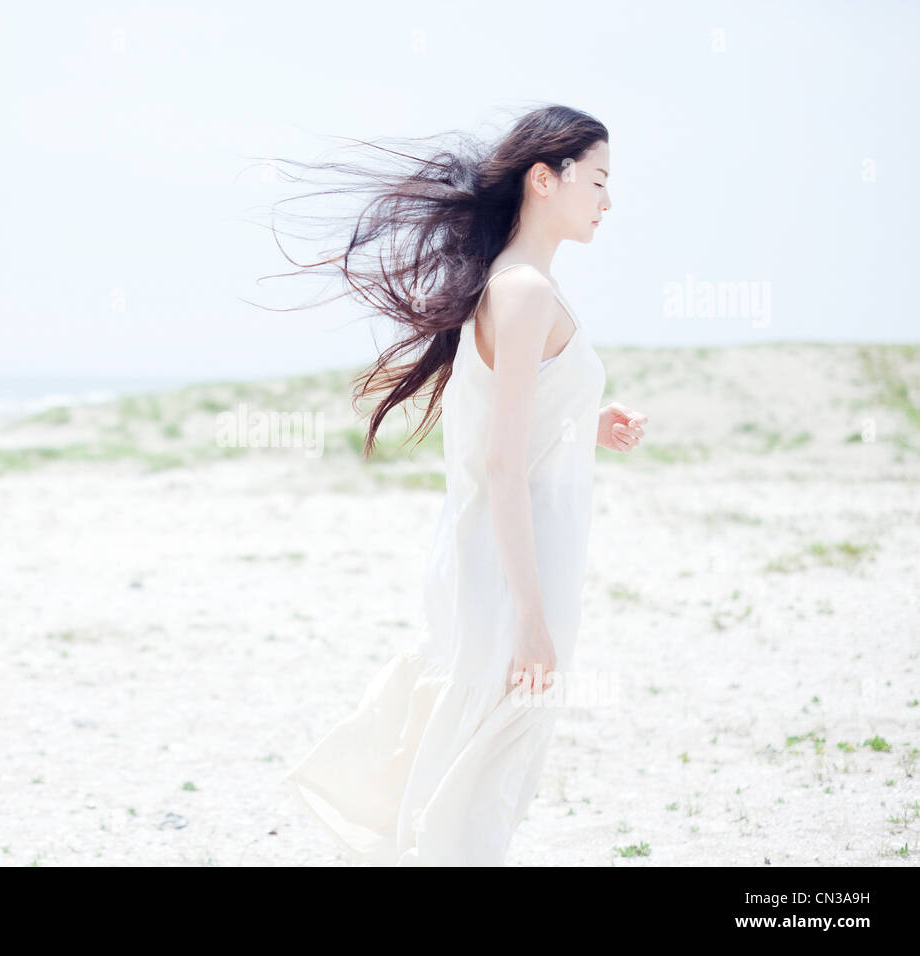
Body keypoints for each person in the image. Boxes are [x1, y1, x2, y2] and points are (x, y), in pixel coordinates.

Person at [271, 104, 649, 865]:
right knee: (477, 782)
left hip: (509, 567)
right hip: (514, 574)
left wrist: (585, 415)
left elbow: (509, 418)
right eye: (599, 181)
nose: (609, 201)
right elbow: (501, 464)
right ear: (546, 178)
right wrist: (534, 615)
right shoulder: (523, 293)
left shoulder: (516, 287)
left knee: (478, 769)